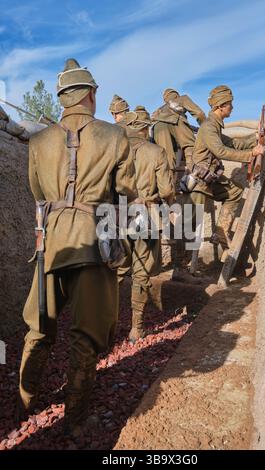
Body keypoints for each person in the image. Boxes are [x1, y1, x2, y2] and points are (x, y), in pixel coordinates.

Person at [18, 58, 137, 434]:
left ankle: (25, 403)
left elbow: (37, 193)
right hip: (94, 242)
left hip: (51, 245)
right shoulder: (115, 136)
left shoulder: (39, 140)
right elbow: (126, 192)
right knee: (85, 333)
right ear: (90, 94)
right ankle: (75, 420)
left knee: (37, 327)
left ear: (62, 98)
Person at [118, 106, 175, 342]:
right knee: (141, 272)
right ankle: (136, 328)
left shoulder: (115, 152)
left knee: (117, 270)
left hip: (116, 215)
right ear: (144, 128)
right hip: (146, 215)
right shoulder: (156, 152)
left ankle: (105, 325)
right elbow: (167, 190)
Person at [186, 85, 265, 251]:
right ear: (221, 106)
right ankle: (182, 268)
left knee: (235, 191)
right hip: (200, 182)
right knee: (191, 223)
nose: (232, 107)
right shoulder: (208, 127)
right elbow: (220, 151)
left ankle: (220, 233)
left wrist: (255, 138)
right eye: (230, 104)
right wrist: (251, 154)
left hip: (210, 179)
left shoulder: (214, 126)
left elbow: (232, 143)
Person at [151, 88, 206, 172]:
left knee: (166, 160)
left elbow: (168, 122)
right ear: (177, 95)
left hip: (157, 127)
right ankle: (194, 173)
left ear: (165, 100)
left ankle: (169, 182)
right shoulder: (181, 99)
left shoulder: (159, 110)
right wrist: (205, 128)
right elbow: (199, 114)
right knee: (189, 146)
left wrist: (194, 129)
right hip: (176, 121)